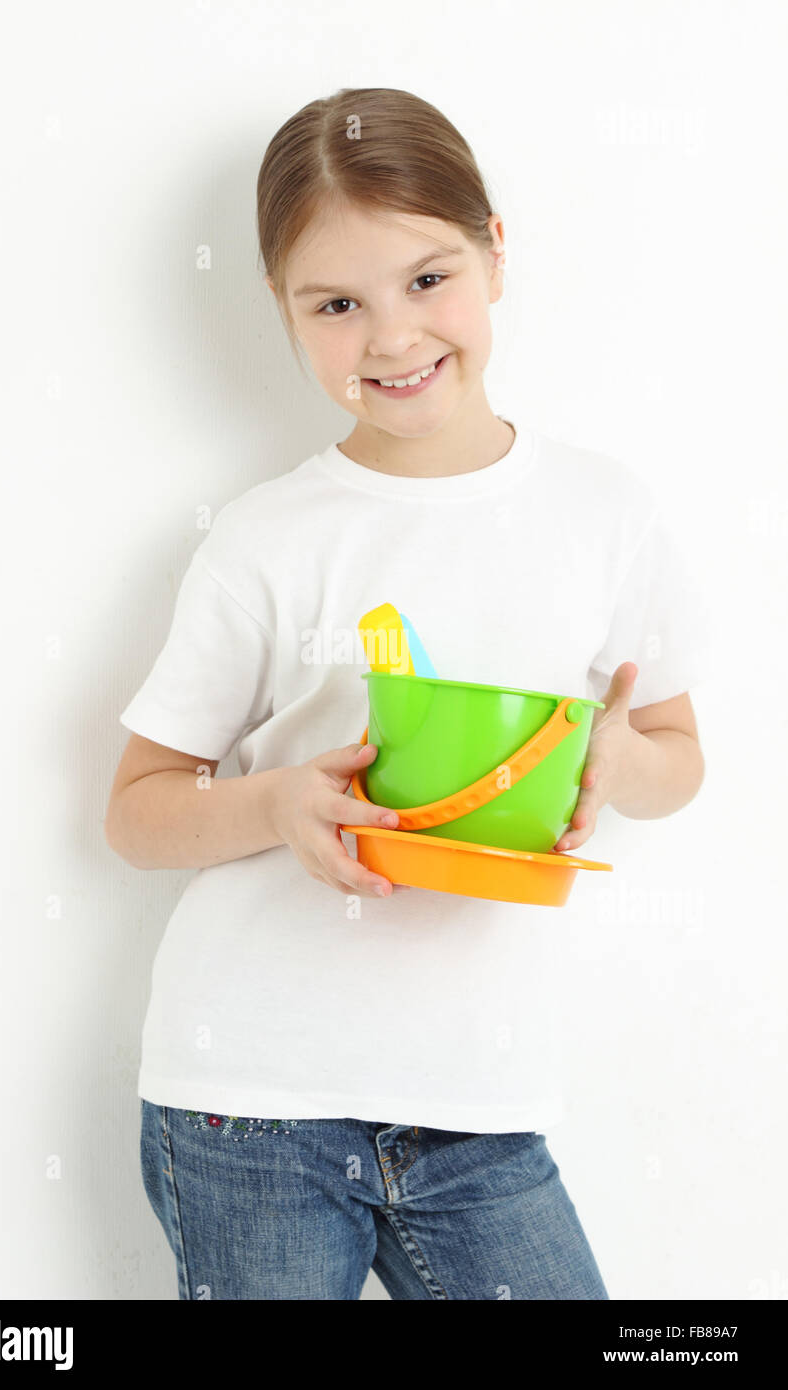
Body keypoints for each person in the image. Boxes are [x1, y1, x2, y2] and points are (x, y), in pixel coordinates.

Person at [105, 87, 711, 1300]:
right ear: (282, 314)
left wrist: (615, 762)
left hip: (478, 1105)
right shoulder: (266, 538)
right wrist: (276, 805)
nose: (390, 337)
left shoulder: (603, 512)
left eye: (427, 280)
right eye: (336, 304)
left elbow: (674, 749)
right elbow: (137, 808)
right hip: (249, 1106)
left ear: (494, 251)